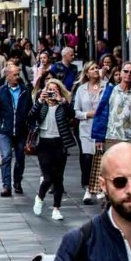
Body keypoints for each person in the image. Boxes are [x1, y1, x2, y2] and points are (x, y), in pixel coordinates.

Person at [29, 79, 76, 221]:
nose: (51, 93)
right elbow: (30, 117)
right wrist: (39, 101)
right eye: (49, 90)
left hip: (59, 144)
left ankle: (56, 208)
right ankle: (40, 197)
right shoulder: (41, 105)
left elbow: (71, 115)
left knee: (59, 178)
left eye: (54, 90)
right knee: (48, 177)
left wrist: (62, 101)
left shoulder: (62, 105)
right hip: (44, 143)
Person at [0, 64, 32, 197]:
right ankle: (6, 185)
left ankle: (17, 181)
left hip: (21, 130)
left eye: (18, 74)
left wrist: (30, 128)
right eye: (14, 75)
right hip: (5, 130)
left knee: (20, 157)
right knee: (6, 156)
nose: (17, 77)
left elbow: (30, 111)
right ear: (7, 76)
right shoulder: (0, 91)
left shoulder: (25, 91)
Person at [91, 61, 131, 153]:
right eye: (126, 71)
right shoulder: (110, 91)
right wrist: (99, 139)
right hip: (112, 139)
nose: (128, 74)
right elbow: (101, 115)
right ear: (120, 73)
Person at [74, 62, 106, 204]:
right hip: (86, 128)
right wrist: (87, 114)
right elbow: (76, 112)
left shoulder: (107, 86)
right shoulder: (81, 89)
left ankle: (99, 187)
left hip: (102, 129)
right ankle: (87, 188)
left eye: (96, 68)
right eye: (92, 69)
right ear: (87, 73)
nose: (95, 71)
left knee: (100, 159)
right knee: (87, 158)